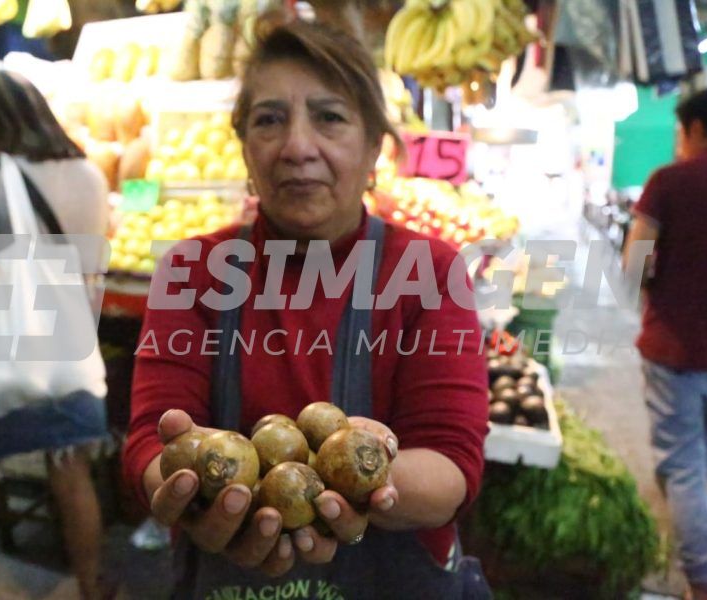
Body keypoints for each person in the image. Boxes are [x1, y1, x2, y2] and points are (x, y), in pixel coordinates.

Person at [123, 19, 490, 597]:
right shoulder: (193, 270)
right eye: (269, 120)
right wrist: (190, 494)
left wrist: (359, 476)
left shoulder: (430, 271)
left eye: (330, 117)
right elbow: (150, 440)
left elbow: (453, 465)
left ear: (374, 146)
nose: (297, 146)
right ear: (244, 147)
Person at [0, 71, 111, 600]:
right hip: (68, 346)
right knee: (71, 470)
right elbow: (93, 267)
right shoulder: (89, 173)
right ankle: (90, 585)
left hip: (2, 351)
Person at [624, 86, 707, 600]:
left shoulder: (670, 181)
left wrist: (649, 286)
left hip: (673, 345)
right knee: (701, 443)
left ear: (695, 129)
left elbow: (636, 262)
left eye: (680, 130)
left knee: (683, 467)